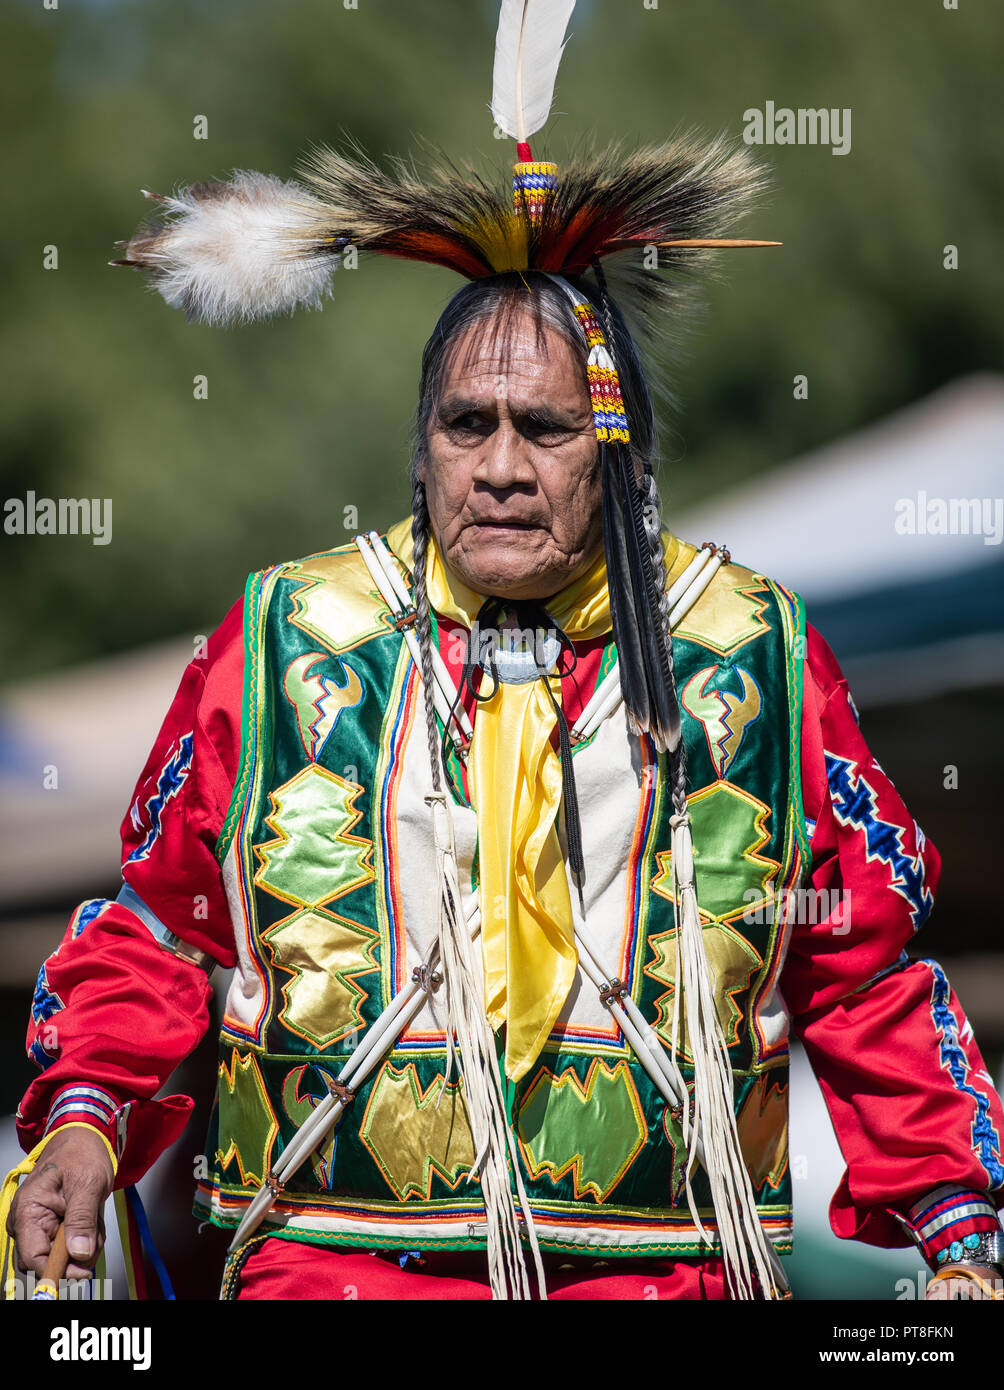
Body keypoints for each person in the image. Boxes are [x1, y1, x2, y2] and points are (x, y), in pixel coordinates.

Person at [4, 3, 1003, 1302]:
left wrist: (961, 1233)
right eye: (466, 424)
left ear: (619, 451)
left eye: (546, 426)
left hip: (662, 1279)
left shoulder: (747, 657)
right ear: (419, 448)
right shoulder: (288, 642)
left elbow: (864, 970)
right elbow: (160, 925)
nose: (503, 466)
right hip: (331, 1274)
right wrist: (83, 1111)